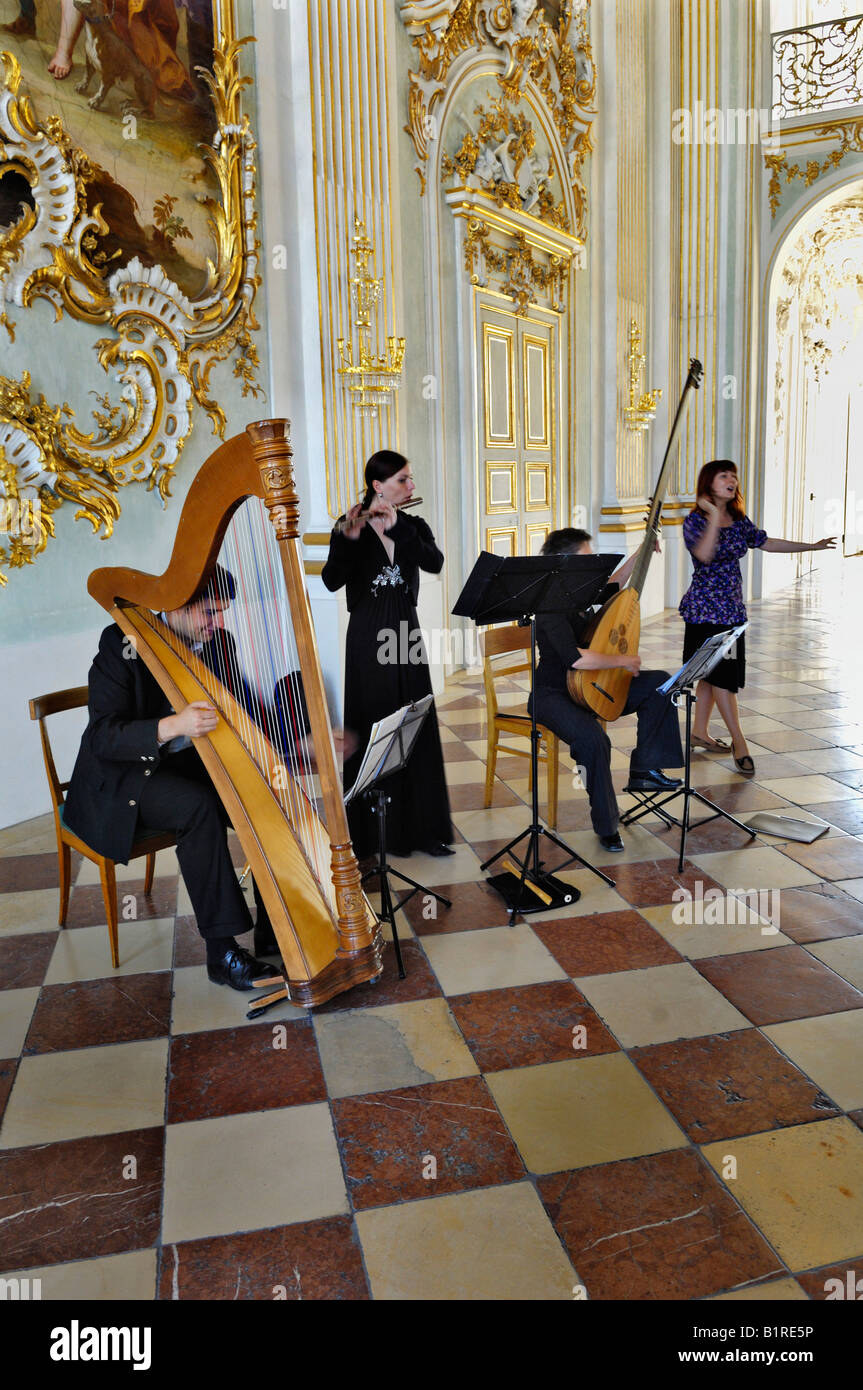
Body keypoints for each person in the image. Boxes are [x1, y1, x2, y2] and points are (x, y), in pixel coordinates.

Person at [63, 568, 277, 990]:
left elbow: (244, 704)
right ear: (177, 604)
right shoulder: (121, 642)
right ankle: (223, 954)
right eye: (210, 613)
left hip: (180, 766)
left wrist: (293, 741)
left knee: (257, 792)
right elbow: (103, 736)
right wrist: (173, 726)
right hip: (123, 778)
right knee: (198, 807)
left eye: (222, 614)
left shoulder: (219, 643)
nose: (218, 624)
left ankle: (277, 926)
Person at [321, 450, 454, 860]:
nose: (411, 487)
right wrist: (348, 540)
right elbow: (330, 581)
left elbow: (434, 562)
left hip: (405, 632)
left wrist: (399, 530)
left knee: (415, 719)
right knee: (377, 722)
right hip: (367, 638)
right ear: (378, 486)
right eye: (403, 480)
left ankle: (424, 830)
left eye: (410, 479)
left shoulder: (413, 524)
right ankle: (370, 831)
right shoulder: (348, 526)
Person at [529, 528, 684, 853]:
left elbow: (615, 584)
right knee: (593, 741)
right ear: (566, 561)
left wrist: (642, 550)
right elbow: (574, 658)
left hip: (592, 687)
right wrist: (621, 660)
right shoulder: (549, 603)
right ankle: (606, 825)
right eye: (586, 557)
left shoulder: (578, 589)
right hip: (553, 694)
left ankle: (645, 769)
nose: (593, 563)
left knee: (659, 684)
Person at [680, 460, 836, 776]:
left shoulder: (739, 520)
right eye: (724, 475)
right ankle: (740, 742)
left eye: (734, 475)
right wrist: (711, 515)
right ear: (709, 483)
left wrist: (812, 547)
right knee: (718, 677)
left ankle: (699, 732)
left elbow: (767, 542)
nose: (732, 480)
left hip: (732, 612)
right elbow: (705, 554)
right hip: (704, 612)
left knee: (716, 676)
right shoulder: (695, 521)